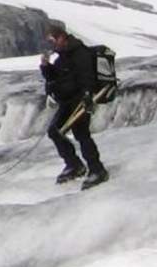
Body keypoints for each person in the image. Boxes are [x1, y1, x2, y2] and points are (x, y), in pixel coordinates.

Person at [41, 20, 109, 189]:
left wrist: (87, 96)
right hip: (67, 101)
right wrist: (46, 67)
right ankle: (74, 165)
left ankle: (97, 170)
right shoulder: (62, 56)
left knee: (82, 135)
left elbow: (87, 76)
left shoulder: (79, 53)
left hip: (79, 101)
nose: (52, 44)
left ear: (61, 37)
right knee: (54, 132)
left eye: (52, 40)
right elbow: (56, 77)